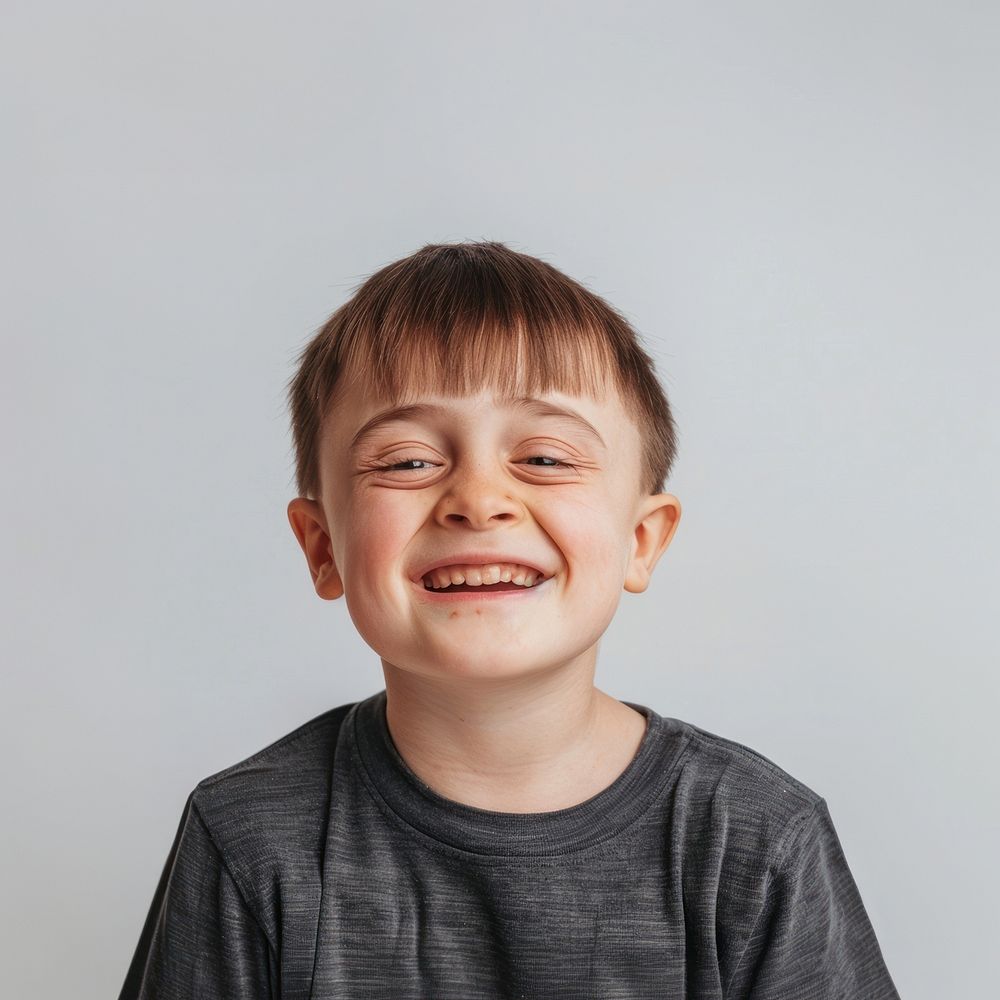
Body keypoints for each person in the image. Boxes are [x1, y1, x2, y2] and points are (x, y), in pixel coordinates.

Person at [118, 241, 900, 999]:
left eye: (545, 458)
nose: (479, 499)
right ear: (323, 547)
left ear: (640, 541)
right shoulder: (248, 835)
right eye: (408, 461)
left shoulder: (757, 841)